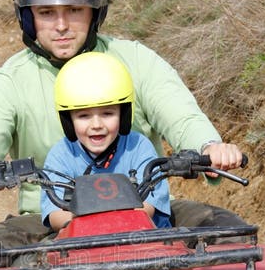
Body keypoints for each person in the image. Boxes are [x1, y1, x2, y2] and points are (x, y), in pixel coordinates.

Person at [0, 0, 248, 259]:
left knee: (232, 237)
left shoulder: (136, 60)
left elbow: (180, 114)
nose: (61, 25)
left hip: (146, 213)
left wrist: (209, 146)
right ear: (29, 18)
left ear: (94, 13)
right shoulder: (13, 80)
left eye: (74, 10)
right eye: (47, 13)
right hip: (51, 222)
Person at [41, 51, 172, 231]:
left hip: (142, 237)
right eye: (84, 116)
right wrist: (93, 226)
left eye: (107, 113)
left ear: (124, 114)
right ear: (68, 121)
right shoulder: (61, 154)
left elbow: (149, 206)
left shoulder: (139, 147)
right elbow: (55, 215)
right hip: (84, 240)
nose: (96, 125)